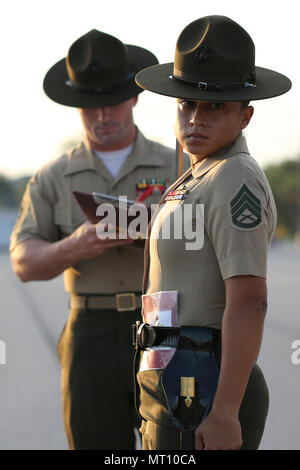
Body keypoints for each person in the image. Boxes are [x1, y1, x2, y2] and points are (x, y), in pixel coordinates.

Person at [9, 29, 179, 450]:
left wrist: (158, 233)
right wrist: (70, 248)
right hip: (90, 332)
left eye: (111, 102)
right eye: (89, 106)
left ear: (135, 96)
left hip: (167, 324)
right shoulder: (52, 178)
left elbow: (210, 242)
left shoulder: (180, 163)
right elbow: (23, 262)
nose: (102, 115)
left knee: (175, 445)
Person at [133, 15, 291, 450]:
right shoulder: (200, 174)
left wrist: (223, 412)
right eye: (186, 104)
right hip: (174, 373)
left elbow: (250, 301)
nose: (196, 118)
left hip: (202, 385)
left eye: (215, 106)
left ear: (246, 116)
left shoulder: (234, 177)